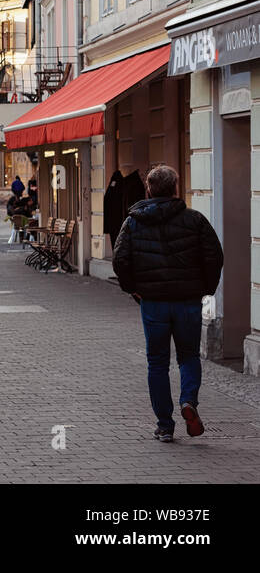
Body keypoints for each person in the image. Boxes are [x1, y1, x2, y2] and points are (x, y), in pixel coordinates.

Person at [113, 165, 223, 443]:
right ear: (176, 188)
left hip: (153, 303)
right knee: (188, 355)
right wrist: (206, 288)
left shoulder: (134, 222)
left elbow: (120, 259)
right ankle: (189, 401)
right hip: (187, 301)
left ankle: (164, 425)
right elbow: (214, 256)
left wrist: (133, 289)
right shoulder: (194, 219)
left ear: (149, 189)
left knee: (157, 362)